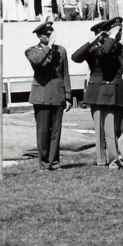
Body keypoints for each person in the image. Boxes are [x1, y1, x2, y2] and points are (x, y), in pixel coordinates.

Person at [71, 17, 123, 170]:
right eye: (117, 31)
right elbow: (79, 56)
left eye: (120, 30)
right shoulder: (101, 49)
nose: (120, 33)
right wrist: (103, 38)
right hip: (107, 92)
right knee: (108, 131)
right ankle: (112, 159)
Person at [25, 20, 71, 171]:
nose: (50, 36)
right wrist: (49, 46)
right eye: (46, 34)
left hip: (58, 94)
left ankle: (54, 162)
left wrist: (68, 96)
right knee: (43, 131)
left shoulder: (61, 50)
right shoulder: (32, 51)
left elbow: (65, 74)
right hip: (42, 95)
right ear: (39, 36)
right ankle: (44, 163)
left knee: (56, 131)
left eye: (51, 34)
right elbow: (38, 62)